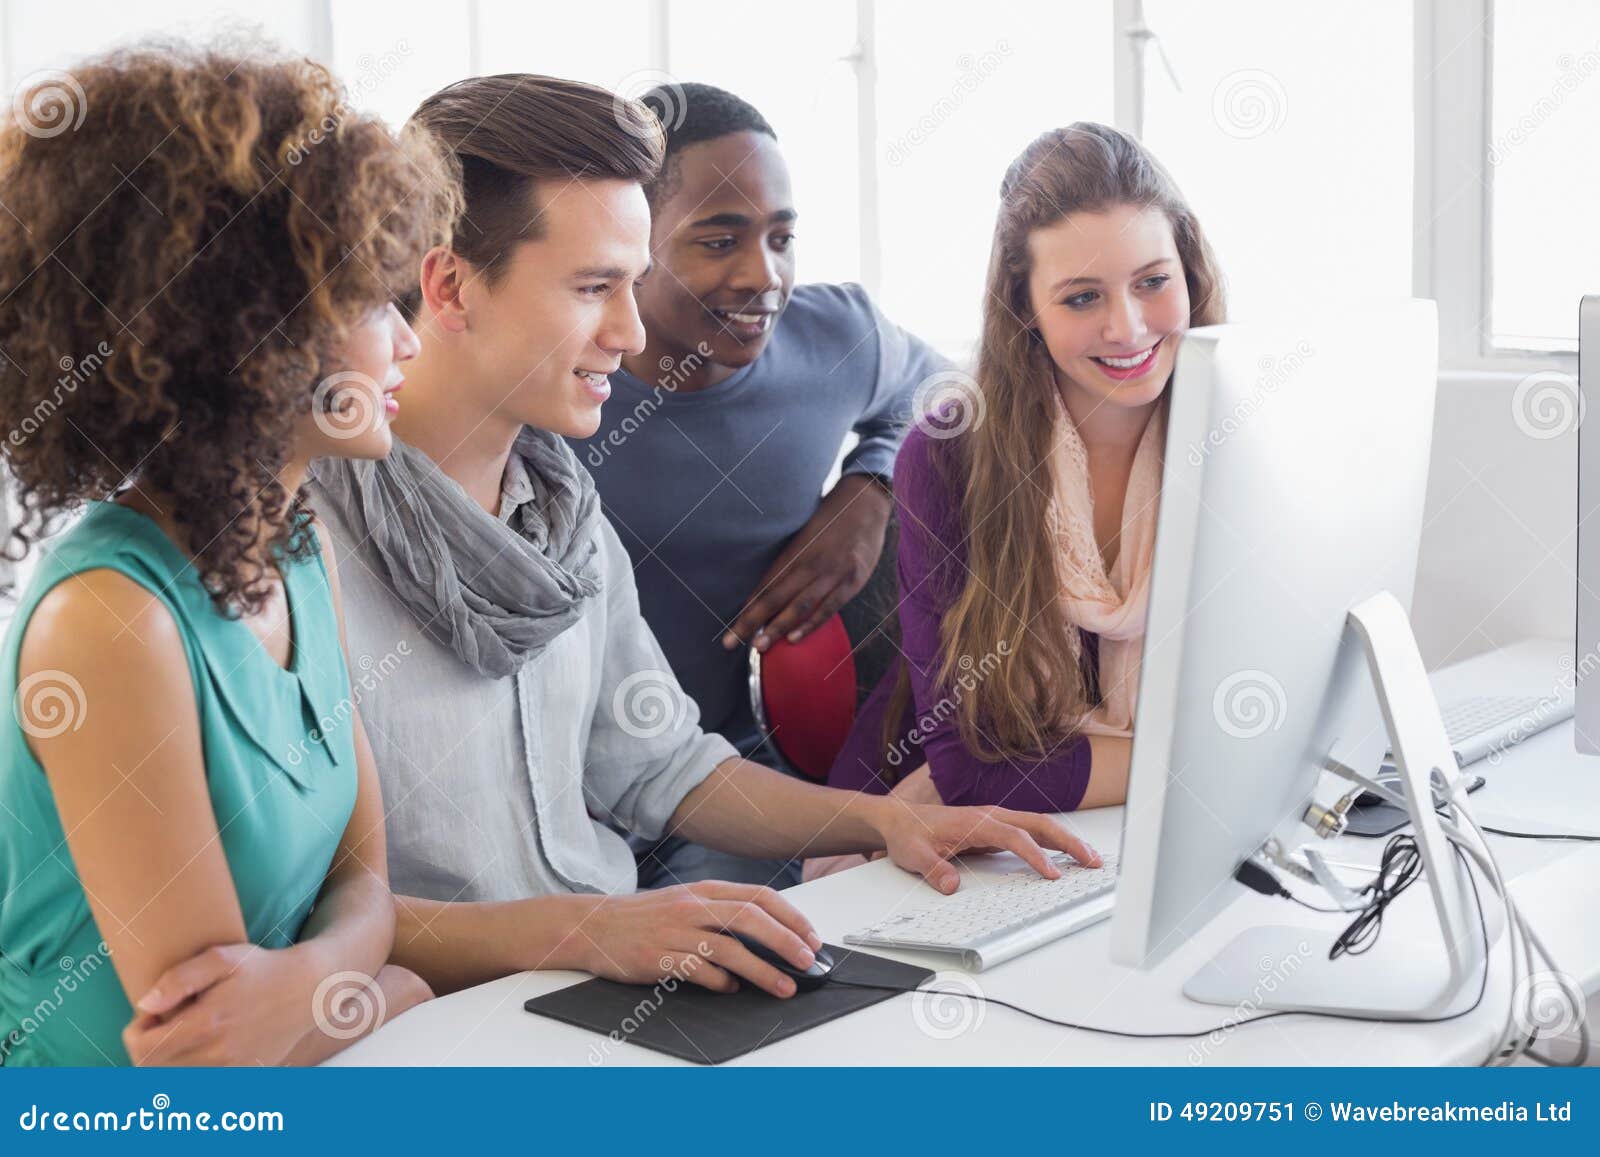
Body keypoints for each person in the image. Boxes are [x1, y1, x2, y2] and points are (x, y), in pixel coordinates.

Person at [307, 74, 1101, 1003]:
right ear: (447, 285)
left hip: (600, 976)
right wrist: (597, 928)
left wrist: (888, 824)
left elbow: (663, 764)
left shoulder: (565, 511)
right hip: (451, 1023)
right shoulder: (302, 550)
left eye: (631, 285)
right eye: (594, 287)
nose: (631, 330)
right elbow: (308, 919)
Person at [0, 43, 457, 1064]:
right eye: (374, 300)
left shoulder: (301, 553)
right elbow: (212, 1056)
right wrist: (388, 984)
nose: (408, 343)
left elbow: (366, 882)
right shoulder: (113, 623)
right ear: (247, 331)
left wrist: (338, 974)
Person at [814, 123, 1226, 877]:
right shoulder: (949, 452)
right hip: (915, 828)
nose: (1129, 326)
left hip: (1129, 823)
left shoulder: (1241, 430)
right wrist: (1202, 750)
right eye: (1081, 297)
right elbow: (971, 772)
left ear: (1191, 275)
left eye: (1153, 281)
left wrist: (1222, 749)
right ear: (1024, 308)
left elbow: (1273, 698)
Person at [568, 82, 947, 888]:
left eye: (781, 237)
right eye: (719, 240)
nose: (762, 274)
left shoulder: (833, 335)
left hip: (731, 785)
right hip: (570, 806)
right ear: (635, 239)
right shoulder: (561, 387)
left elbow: (950, 389)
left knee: (771, 970)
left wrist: (872, 484)